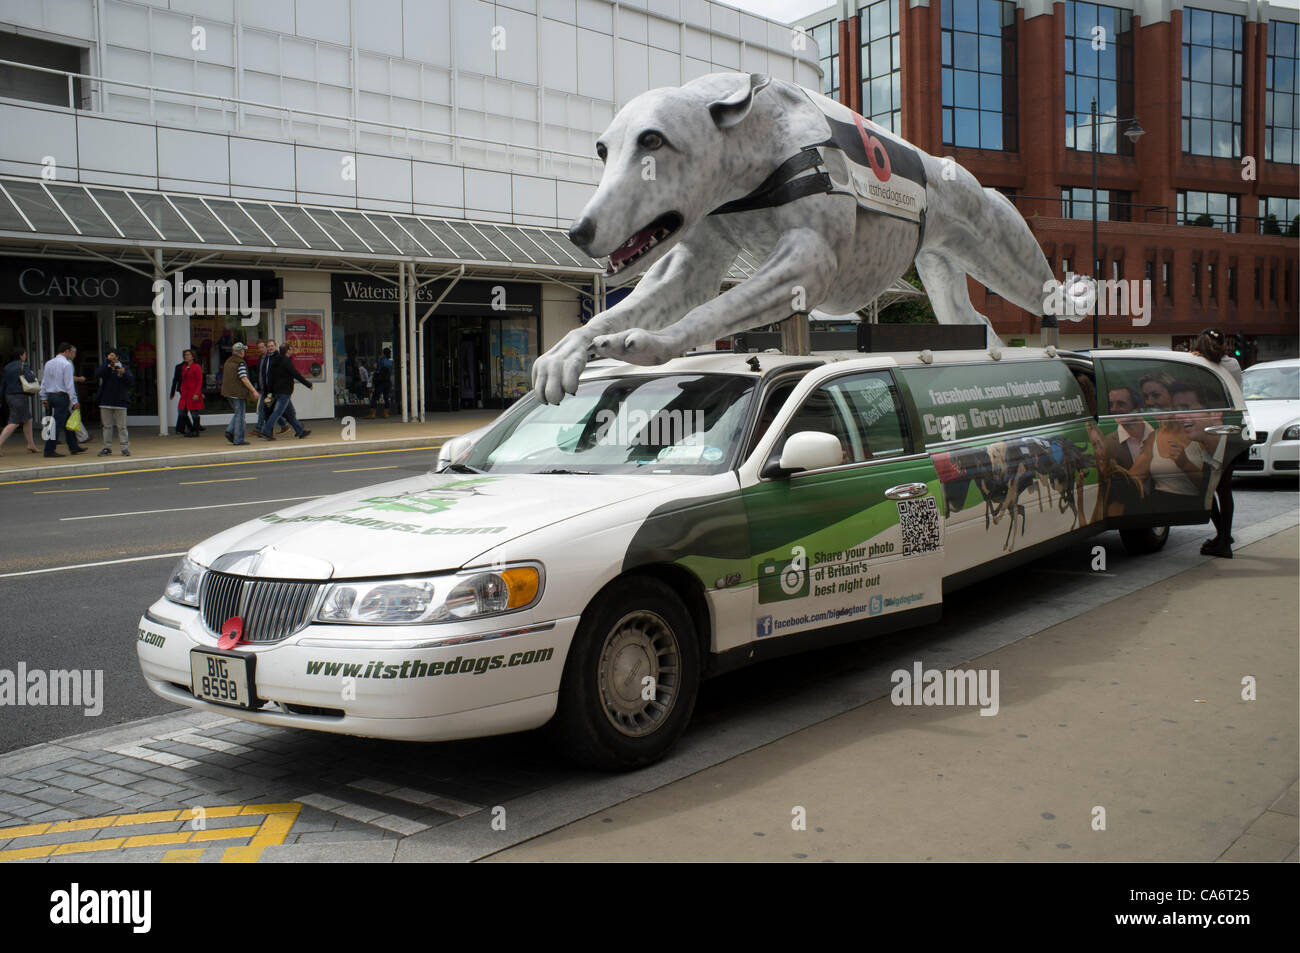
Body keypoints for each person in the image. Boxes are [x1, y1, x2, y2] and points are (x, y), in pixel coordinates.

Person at [1188, 328, 1240, 557]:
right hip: (1231, 429)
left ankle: (1224, 539)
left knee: (1206, 488)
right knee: (1224, 489)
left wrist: (1192, 358)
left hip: (1210, 430)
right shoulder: (1233, 364)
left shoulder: (1198, 365)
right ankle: (1224, 537)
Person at [39, 341, 85, 457]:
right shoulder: (67, 364)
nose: (73, 354)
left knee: (66, 421)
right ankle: (49, 450)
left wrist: (43, 397)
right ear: (67, 351)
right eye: (71, 352)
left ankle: (73, 446)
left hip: (51, 395)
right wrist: (74, 401)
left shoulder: (49, 363)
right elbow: (69, 385)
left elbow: (44, 381)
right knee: (57, 424)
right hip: (61, 396)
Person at [258, 343, 313, 440]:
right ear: (287, 351)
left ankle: (300, 431)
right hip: (284, 392)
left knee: (290, 414)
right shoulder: (286, 361)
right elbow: (295, 374)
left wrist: (271, 391)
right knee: (277, 412)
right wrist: (308, 384)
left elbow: (270, 376)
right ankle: (266, 431)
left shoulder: (275, 361)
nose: (291, 351)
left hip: (277, 391)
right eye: (290, 349)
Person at [0, 347, 40, 455]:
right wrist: (32, 373)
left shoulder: (7, 367)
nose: (25, 356)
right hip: (19, 396)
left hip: (9, 396)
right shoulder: (24, 365)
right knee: (14, 422)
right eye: (25, 354)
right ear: (21, 355)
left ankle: (31, 444)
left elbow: (3, 384)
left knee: (28, 419)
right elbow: (30, 378)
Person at [95, 349, 134, 456]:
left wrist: (124, 373)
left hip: (120, 401)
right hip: (106, 400)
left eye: (113, 355)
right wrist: (107, 362)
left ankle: (124, 448)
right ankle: (107, 447)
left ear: (117, 356)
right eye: (109, 356)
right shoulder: (105, 367)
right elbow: (98, 373)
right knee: (107, 426)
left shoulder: (124, 367)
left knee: (122, 427)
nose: (111, 358)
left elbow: (131, 381)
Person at [220, 342, 260, 446]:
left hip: (228, 392)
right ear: (240, 352)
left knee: (238, 413)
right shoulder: (240, 363)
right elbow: (244, 378)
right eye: (243, 350)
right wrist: (253, 390)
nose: (244, 352)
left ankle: (229, 431)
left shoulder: (228, 361)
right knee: (240, 416)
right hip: (237, 393)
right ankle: (238, 439)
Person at [177, 349, 204, 438]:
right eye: (185, 355)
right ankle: (191, 429)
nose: (186, 356)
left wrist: (197, 393)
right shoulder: (184, 367)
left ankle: (196, 431)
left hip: (193, 393)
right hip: (185, 394)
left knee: (194, 412)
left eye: (188, 355)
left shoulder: (197, 367)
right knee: (181, 412)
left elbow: (199, 381)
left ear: (193, 356)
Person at [365, 347, 394, 418]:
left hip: (380, 382)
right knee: (386, 397)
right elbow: (390, 372)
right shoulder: (390, 362)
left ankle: (372, 414)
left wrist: (376, 367)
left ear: (383, 353)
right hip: (387, 382)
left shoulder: (381, 360)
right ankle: (386, 414)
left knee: (375, 397)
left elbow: (377, 370)